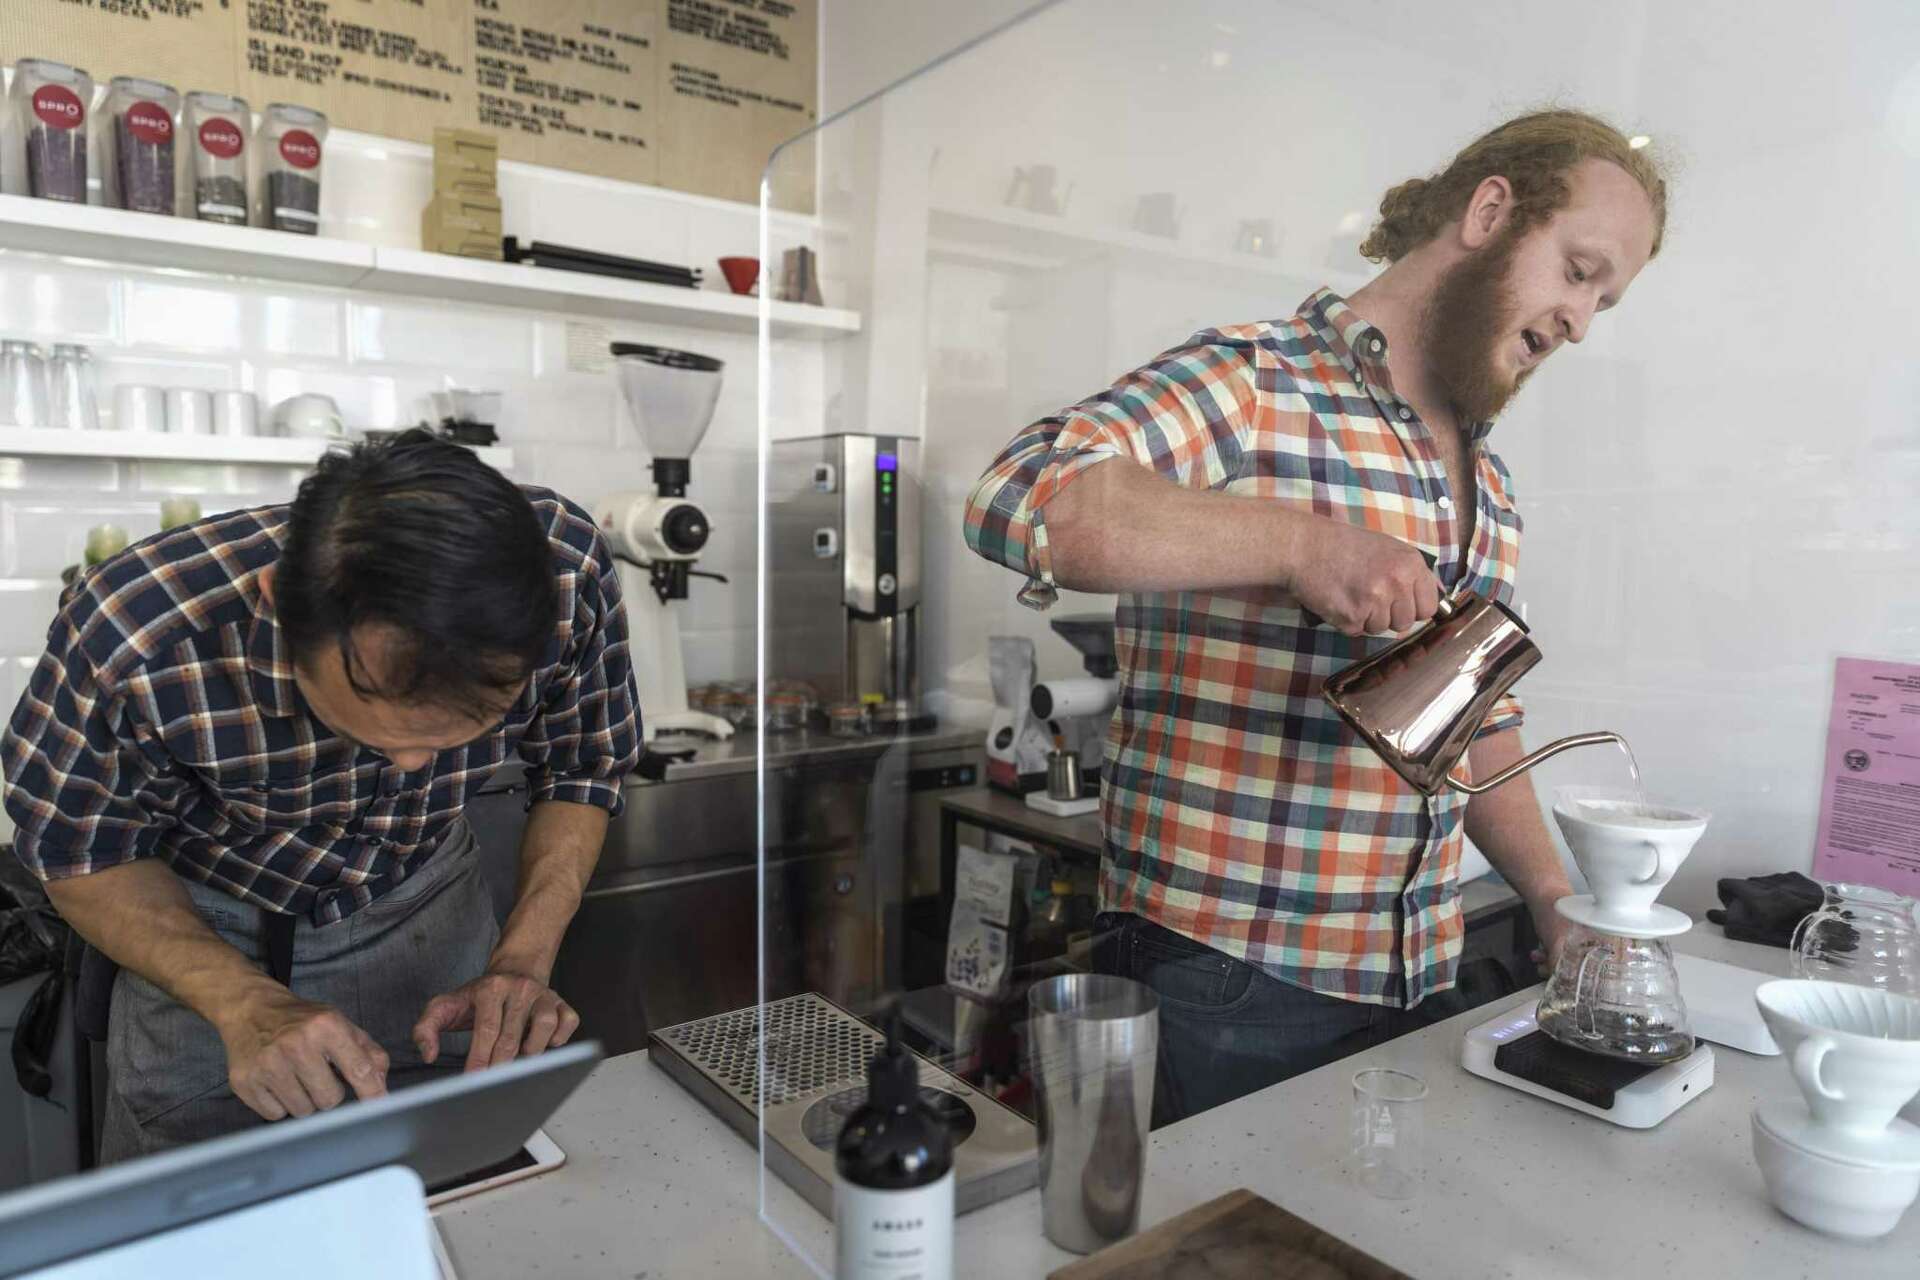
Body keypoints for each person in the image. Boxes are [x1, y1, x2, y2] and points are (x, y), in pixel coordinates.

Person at [964, 110, 1669, 1125]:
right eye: (1578, 270)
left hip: (1417, 978)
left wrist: (1560, 906)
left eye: (1605, 298)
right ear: (1490, 212)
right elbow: (1019, 495)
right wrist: (1304, 546)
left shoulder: (1487, 483)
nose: (1582, 320)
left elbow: (1476, 727)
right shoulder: (1256, 383)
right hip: (1224, 980)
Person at [2, 430, 641, 1158]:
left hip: (432, 902)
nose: (410, 765)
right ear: (280, 606)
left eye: (461, 731)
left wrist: (523, 959)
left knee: (461, 1196)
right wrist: (243, 1004)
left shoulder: (565, 568)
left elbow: (584, 765)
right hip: (205, 933)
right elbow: (80, 857)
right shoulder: (138, 633)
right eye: (372, 722)